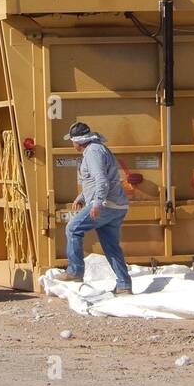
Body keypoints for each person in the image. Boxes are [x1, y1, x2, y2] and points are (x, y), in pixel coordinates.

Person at [55, 121, 133, 295]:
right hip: (117, 205)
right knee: (111, 247)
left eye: (72, 141)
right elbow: (97, 180)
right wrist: (82, 196)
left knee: (73, 229)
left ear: (78, 141)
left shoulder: (93, 152)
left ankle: (75, 271)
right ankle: (124, 285)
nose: (72, 144)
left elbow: (102, 180)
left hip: (106, 204)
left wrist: (97, 203)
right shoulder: (98, 149)